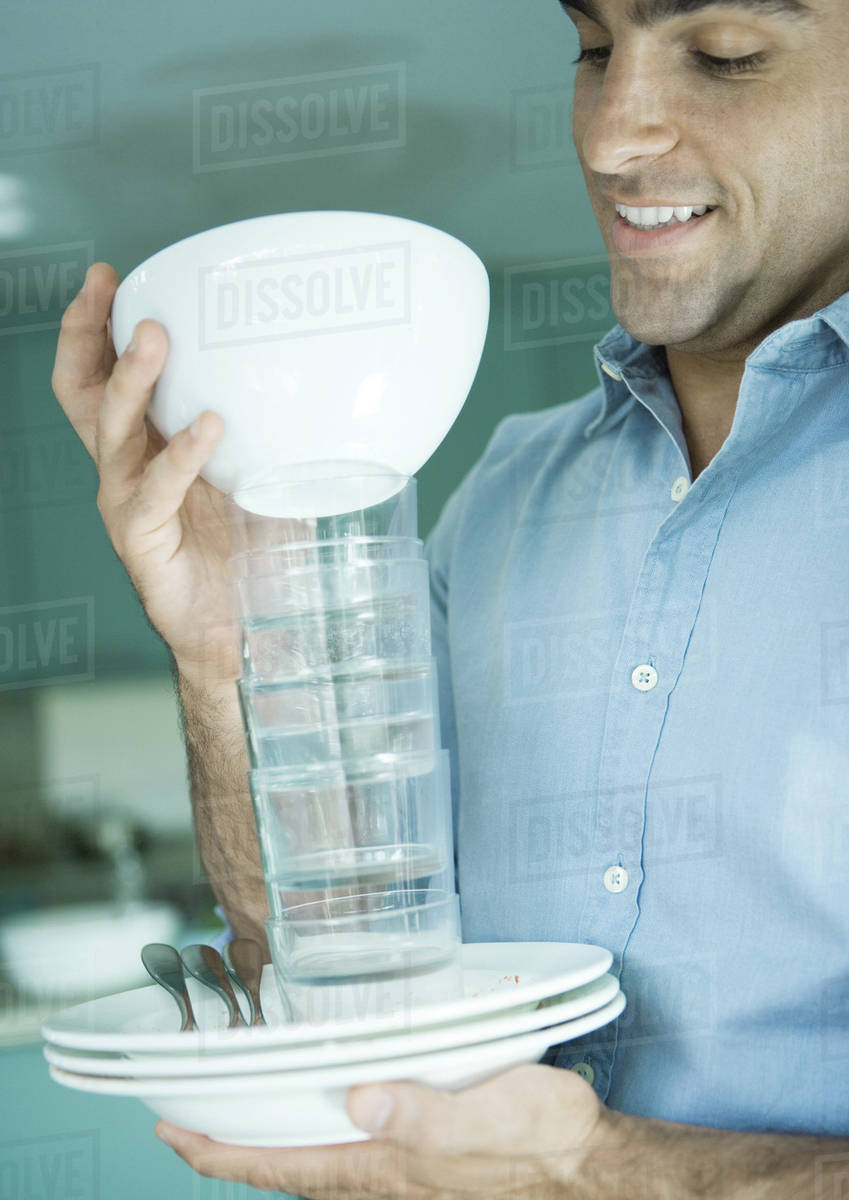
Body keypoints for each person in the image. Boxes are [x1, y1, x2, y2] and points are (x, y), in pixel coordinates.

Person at [52, 0, 849, 1193]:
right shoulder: (505, 495)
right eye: (591, 48)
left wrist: (601, 1170)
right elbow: (336, 976)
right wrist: (229, 654)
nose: (609, 134)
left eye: (722, 55)